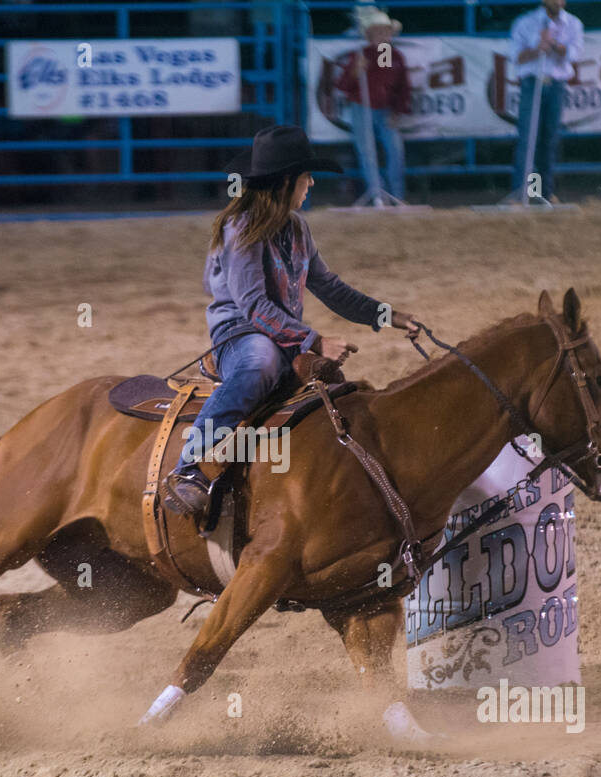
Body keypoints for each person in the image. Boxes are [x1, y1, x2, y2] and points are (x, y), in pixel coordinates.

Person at [161, 125, 423, 520]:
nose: (312, 183)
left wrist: (387, 316)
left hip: (281, 333)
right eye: (306, 176)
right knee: (259, 365)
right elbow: (254, 306)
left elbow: (329, 287)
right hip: (240, 334)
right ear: (286, 181)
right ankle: (188, 466)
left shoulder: (297, 228)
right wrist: (314, 341)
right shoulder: (242, 230)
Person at [334, 6, 412, 203]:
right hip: (363, 107)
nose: (382, 35)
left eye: (385, 31)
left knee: (394, 151)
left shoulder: (390, 55)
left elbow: (399, 86)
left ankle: (394, 194)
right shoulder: (361, 55)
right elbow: (343, 85)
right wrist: (356, 71)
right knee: (368, 152)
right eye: (377, 31)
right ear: (369, 34)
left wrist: (398, 110)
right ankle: (378, 194)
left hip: (385, 109)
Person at [509, 0, 584, 205]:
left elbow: (574, 54)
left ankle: (543, 193)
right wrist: (537, 48)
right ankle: (522, 192)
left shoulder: (573, 24)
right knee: (528, 138)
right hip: (532, 83)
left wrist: (554, 46)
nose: (558, 2)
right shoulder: (526, 23)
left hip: (556, 83)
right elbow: (516, 56)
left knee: (548, 140)